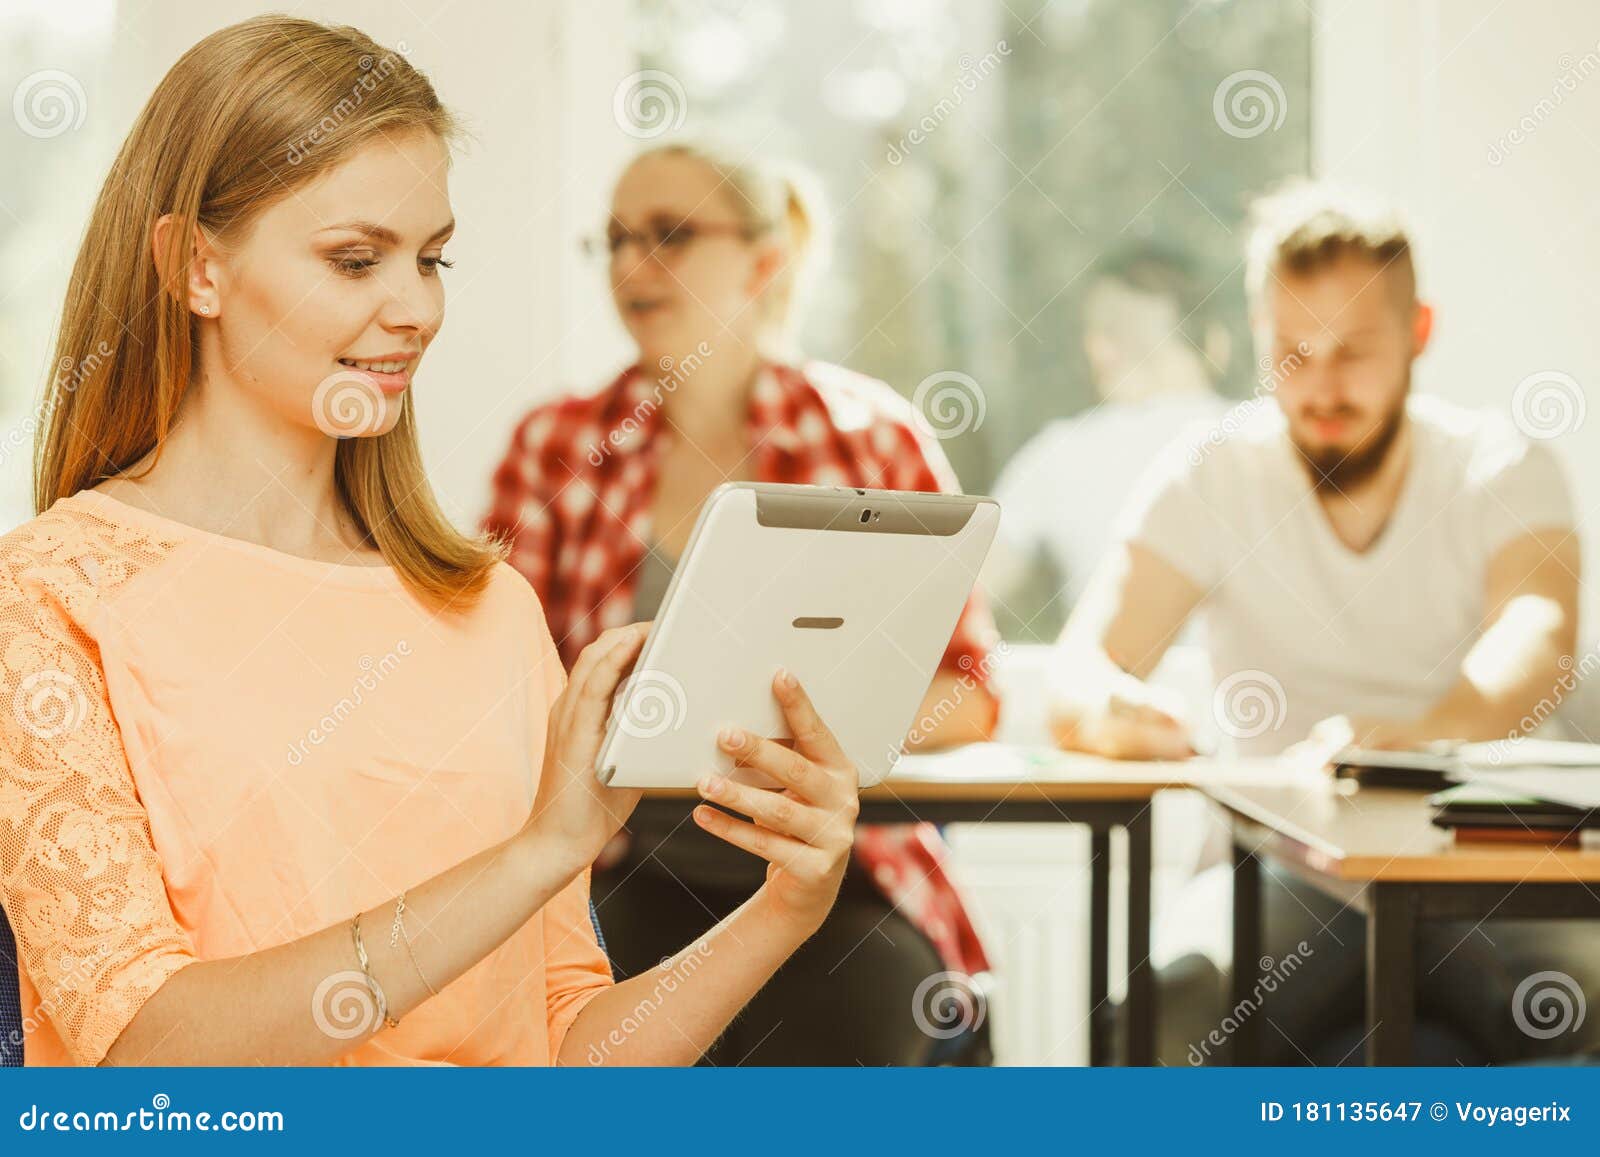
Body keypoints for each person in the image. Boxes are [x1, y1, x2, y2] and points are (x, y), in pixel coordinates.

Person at [0, 15, 862, 1067]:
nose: (414, 308)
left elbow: (563, 1053)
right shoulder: (50, 598)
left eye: (432, 258)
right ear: (195, 267)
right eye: (355, 260)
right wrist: (541, 849)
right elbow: (143, 1049)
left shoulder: (487, 608)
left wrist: (785, 906)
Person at [1049, 181, 1590, 1063]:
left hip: (1489, 867)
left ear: (1419, 333)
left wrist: (1410, 741)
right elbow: (1080, 671)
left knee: (1583, 1004)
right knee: (1157, 1028)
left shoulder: (1504, 462)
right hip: (1289, 872)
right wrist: (1115, 709)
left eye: (1353, 352)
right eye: (1293, 353)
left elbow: (1539, 643)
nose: (1322, 386)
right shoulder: (1212, 473)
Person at [484, 141, 1001, 1065]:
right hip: (618, 872)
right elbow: (493, 685)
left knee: (875, 1024)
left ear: (766, 263)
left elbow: (970, 688)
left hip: (837, 879)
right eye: (614, 239)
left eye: (670, 235)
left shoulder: (873, 440)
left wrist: (826, 740)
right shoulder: (555, 444)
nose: (632, 266)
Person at [989, 245, 1228, 632]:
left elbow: (966, 590)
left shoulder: (1059, 453)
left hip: (1101, 686)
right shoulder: (1270, 440)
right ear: (1217, 342)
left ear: (1101, 348)